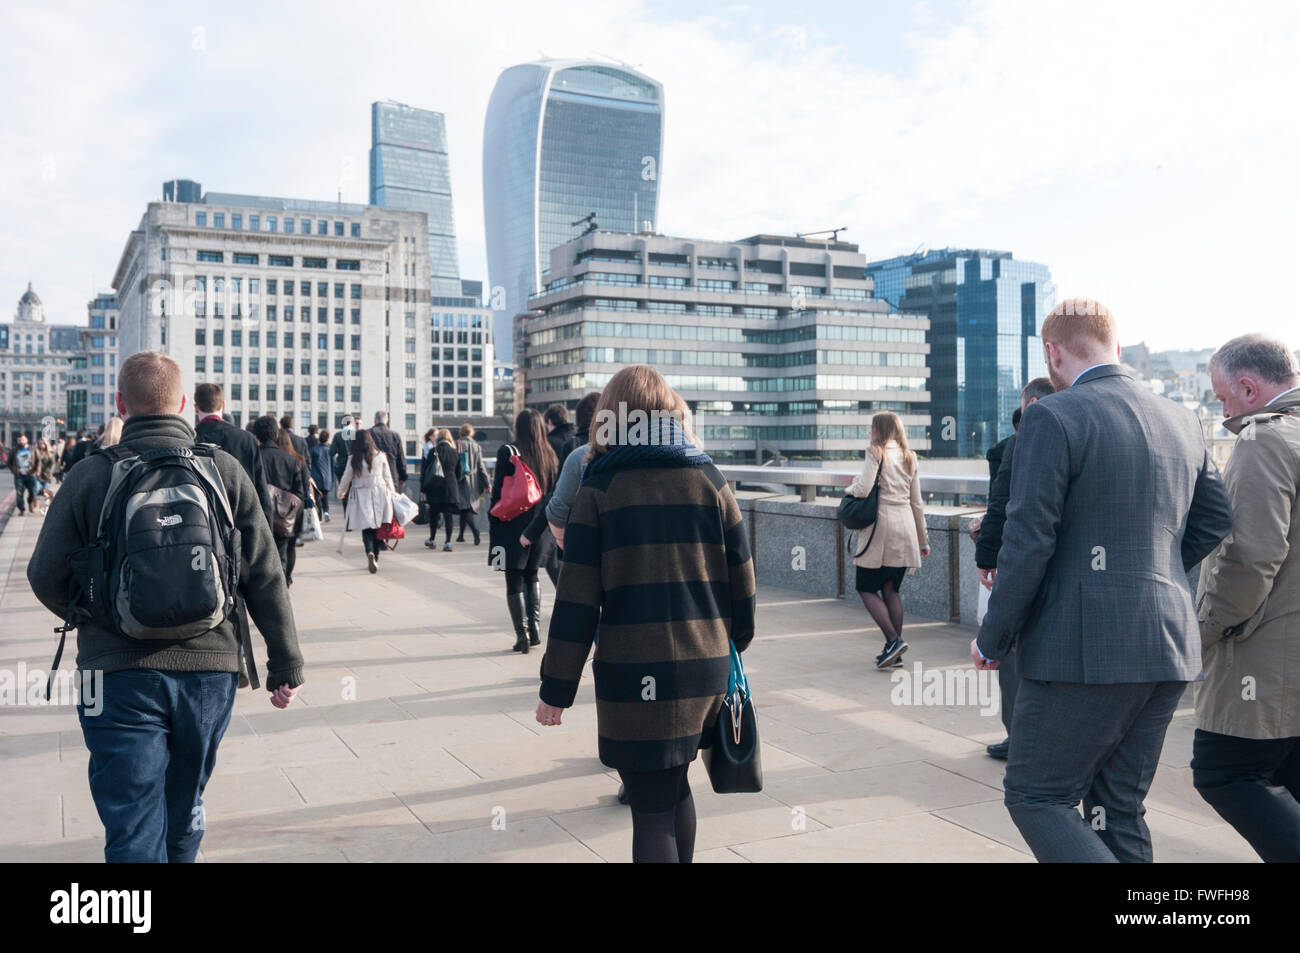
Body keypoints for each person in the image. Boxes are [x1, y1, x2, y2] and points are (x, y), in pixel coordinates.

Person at [972, 299, 1233, 863]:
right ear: (1116, 346)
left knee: (1036, 796)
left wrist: (991, 638)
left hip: (1085, 652)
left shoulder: (1052, 415)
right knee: (1117, 807)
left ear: (1052, 351)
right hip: (1167, 644)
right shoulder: (1182, 418)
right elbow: (1216, 518)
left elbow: (1028, 540)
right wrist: (1152, 569)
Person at [26, 350, 303, 863]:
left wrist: (99, 611)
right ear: (181, 404)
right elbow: (265, 573)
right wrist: (285, 661)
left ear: (120, 404)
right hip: (209, 667)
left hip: (114, 673)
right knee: (185, 802)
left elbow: (43, 575)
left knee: (132, 820)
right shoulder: (222, 469)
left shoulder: (90, 474)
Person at [535, 365, 757, 863]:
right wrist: (728, 646)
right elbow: (743, 587)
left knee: (652, 809)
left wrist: (556, 689)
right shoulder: (711, 479)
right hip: (705, 669)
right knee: (674, 788)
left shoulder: (599, 489)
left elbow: (577, 601)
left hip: (635, 674)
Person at [1191, 334, 1300, 862]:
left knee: (1223, 770)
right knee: (1286, 768)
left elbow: (1249, 558)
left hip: (1266, 650)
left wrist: (1206, 630)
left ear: (1249, 386)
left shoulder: (1265, 442)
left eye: (1221, 396)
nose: (1222, 407)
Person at [973, 377, 1055, 759]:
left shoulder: (1018, 443)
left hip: (1021, 561)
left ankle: (1019, 737)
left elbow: (1000, 503)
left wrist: (986, 558)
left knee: (1012, 654)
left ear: (1032, 402)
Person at [844, 412, 930, 670]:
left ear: (879, 429)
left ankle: (894, 640)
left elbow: (864, 489)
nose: (870, 432)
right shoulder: (909, 456)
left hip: (881, 530)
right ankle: (896, 652)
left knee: (866, 587)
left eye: (872, 427)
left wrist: (851, 486)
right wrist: (923, 540)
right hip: (905, 530)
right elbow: (917, 503)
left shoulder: (876, 452)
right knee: (891, 589)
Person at [489, 409, 558, 653]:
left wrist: (493, 520)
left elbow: (498, 493)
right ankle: (536, 629)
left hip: (513, 525)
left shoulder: (508, 452)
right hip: (541, 527)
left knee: (513, 579)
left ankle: (522, 635)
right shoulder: (550, 455)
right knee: (532, 576)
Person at [194, 383, 274, 528]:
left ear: (196, 407)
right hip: (241, 523)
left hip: (203, 524)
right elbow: (260, 489)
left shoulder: (190, 441)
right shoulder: (246, 439)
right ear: (223, 405)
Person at [521, 404, 578, 586]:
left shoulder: (550, 444)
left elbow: (554, 491)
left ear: (550, 422)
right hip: (582, 513)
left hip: (553, 512)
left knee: (553, 564)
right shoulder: (580, 439)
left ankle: (568, 603)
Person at [252, 415, 308, 587]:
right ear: (276, 434)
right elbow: (299, 492)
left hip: (258, 516)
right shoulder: (290, 460)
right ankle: (281, 588)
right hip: (283, 518)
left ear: (256, 436)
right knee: (281, 554)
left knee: (259, 556)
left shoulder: (252, 458)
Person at [337, 428, 395, 574]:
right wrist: (393, 494)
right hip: (379, 493)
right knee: (377, 527)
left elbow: (346, 477)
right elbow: (388, 477)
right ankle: (376, 556)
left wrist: (341, 491)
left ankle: (369, 552)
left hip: (361, 494)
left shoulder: (353, 458)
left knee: (366, 527)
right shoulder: (380, 456)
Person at [422, 429, 463, 551]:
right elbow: (459, 473)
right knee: (448, 516)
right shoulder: (454, 452)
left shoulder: (433, 451)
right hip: (450, 488)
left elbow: (425, 472)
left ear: (439, 438)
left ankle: (432, 539)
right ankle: (448, 542)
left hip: (434, 487)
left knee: (434, 515)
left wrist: (423, 488)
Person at [455, 423, 490, 545]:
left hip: (462, 479)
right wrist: (487, 483)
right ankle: (461, 535)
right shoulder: (477, 446)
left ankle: (475, 531)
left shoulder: (458, 444)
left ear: (461, 432)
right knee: (466, 507)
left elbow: (456, 461)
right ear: (471, 433)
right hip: (474, 480)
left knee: (465, 507)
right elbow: (481, 466)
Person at [368, 411, 408, 489]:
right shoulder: (395, 435)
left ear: (374, 420)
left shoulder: (367, 434)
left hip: (372, 477)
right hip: (392, 477)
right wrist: (403, 477)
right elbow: (400, 458)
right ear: (387, 421)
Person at [8, 434, 39, 515]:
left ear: (26, 440)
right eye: (19, 440)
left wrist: (36, 470)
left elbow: (38, 461)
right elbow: (9, 462)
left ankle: (30, 502)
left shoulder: (32, 449)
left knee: (32, 491)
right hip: (19, 475)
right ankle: (21, 509)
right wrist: (14, 471)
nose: (21, 441)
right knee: (19, 493)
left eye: (22, 439)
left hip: (31, 474)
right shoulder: (14, 450)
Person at [309, 429, 333, 522]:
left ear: (319, 438)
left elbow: (309, 463)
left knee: (317, 497)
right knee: (326, 496)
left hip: (316, 478)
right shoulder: (330, 450)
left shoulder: (313, 450)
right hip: (327, 478)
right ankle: (326, 512)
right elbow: (333, 463)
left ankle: (318, 516)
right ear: (327, 439)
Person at [33, 437, 57, 509]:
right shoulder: (36, 452)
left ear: (46, 444)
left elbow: (52, 464)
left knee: (45, 491)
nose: (42, 445)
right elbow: (32, 463)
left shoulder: (50, 453)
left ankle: (46, 506)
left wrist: (49, 472)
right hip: (38, 475)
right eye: (40, 444)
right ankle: (36, 506)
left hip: (47, 475)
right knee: (37, 489)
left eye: (43, 443)